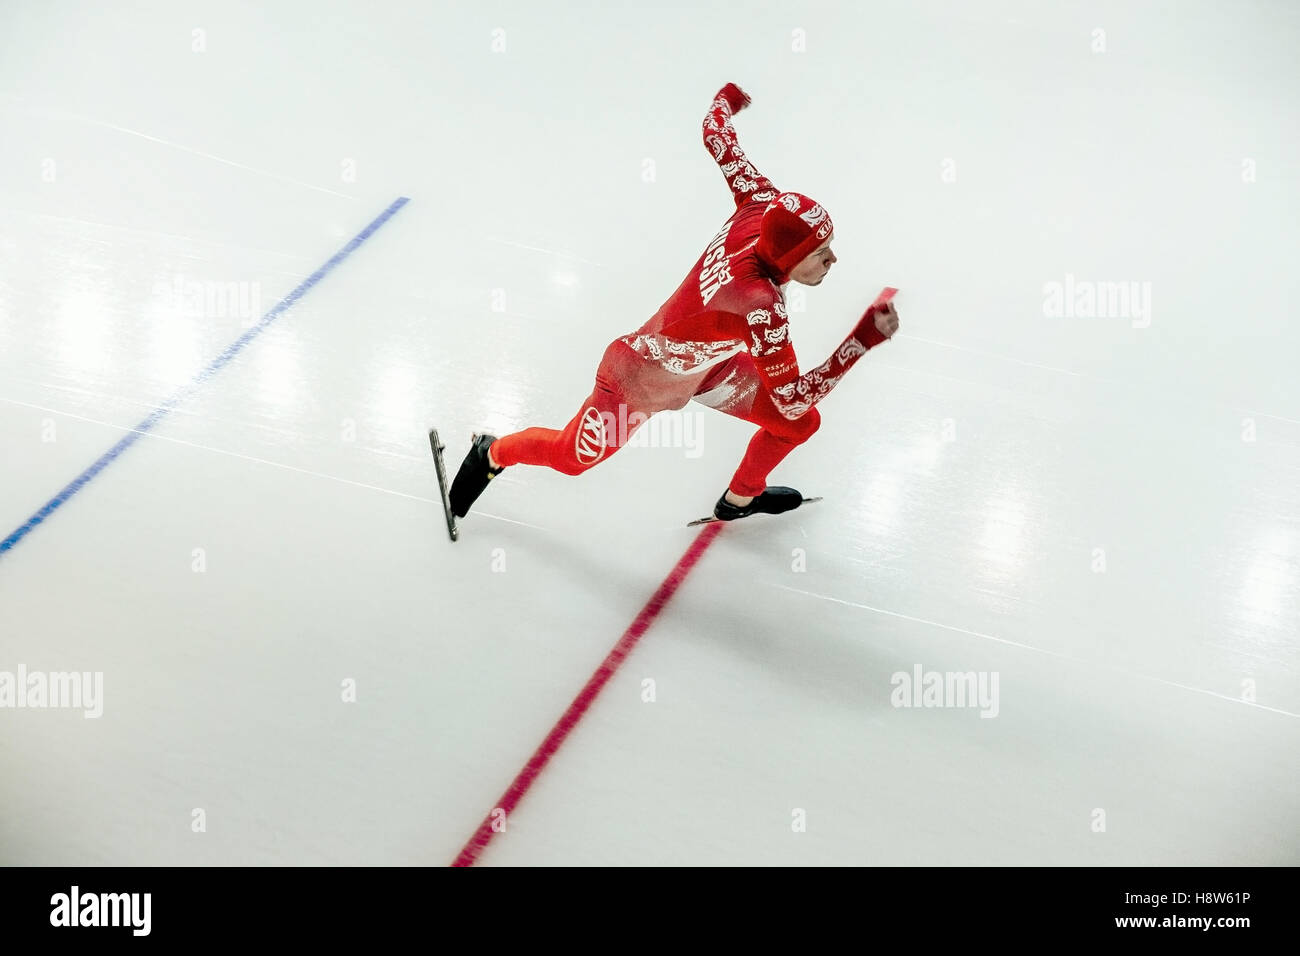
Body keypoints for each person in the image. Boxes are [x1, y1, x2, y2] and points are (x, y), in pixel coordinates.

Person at [449, 82, 900, 523]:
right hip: (636, 380)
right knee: (572, 459)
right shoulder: (759, 305)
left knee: (799, 427)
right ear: (789, 257)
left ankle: (740, 499)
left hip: (708, 368)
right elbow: (792, 397)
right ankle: (491, 452)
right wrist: (862, 340)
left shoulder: (763, 203)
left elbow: (715, 135)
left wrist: (727, 99)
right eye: (820, 254)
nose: (833, 260)